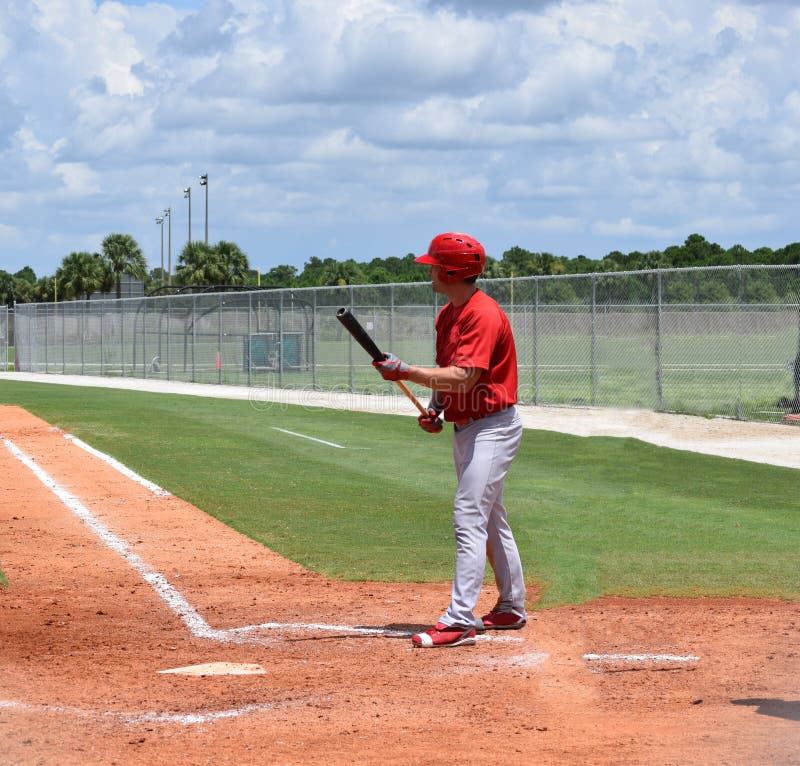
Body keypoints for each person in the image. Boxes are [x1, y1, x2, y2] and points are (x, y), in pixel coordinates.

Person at [372, 232, 526, 648]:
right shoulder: (447, 315)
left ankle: (459, 620)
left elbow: (466, 376)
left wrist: (406, 371)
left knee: (469, 515)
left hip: (493, 426)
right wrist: (436, 408)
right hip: (468, 427)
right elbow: (448, 371)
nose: (431, 272)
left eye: (435, 266)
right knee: (489, 517)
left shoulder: (483, 314)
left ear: (452, 272)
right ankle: (511, 607)